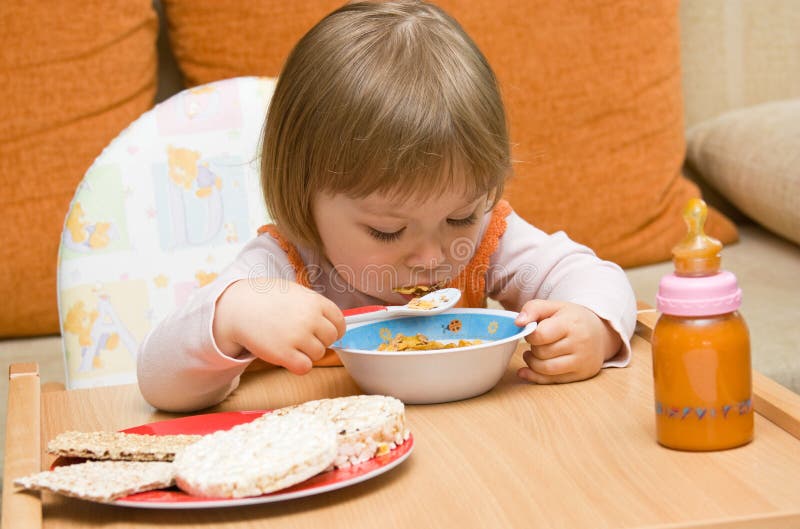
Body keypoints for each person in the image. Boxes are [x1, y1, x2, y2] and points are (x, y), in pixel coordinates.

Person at [137, 0, 637, 412]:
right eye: (386, 231)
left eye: (458, 217)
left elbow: (594, 276)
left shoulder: (486, 238)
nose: (431, 257)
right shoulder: (281, 270)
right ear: (305, 199)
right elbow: (159, 383)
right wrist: (231, 314)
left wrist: (592, 324)